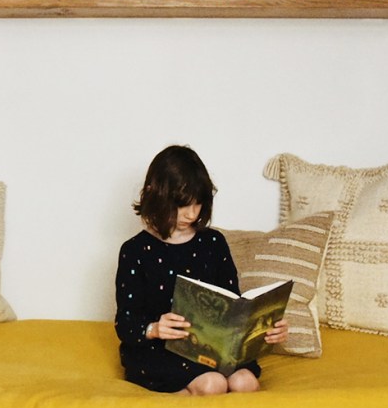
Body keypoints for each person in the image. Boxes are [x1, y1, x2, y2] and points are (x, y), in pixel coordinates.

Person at [114, 145, 288, 395]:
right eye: (182, 205)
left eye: (198, 203)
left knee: (245, 382)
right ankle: (176, 399)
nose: (192, 213)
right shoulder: (135, 251)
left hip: (213, 350)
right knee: (212, 384)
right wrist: (154, 328)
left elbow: (234, 306)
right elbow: (126, 323)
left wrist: (265, 329)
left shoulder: (213, 243)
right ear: (155, 195)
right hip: (160, 352)